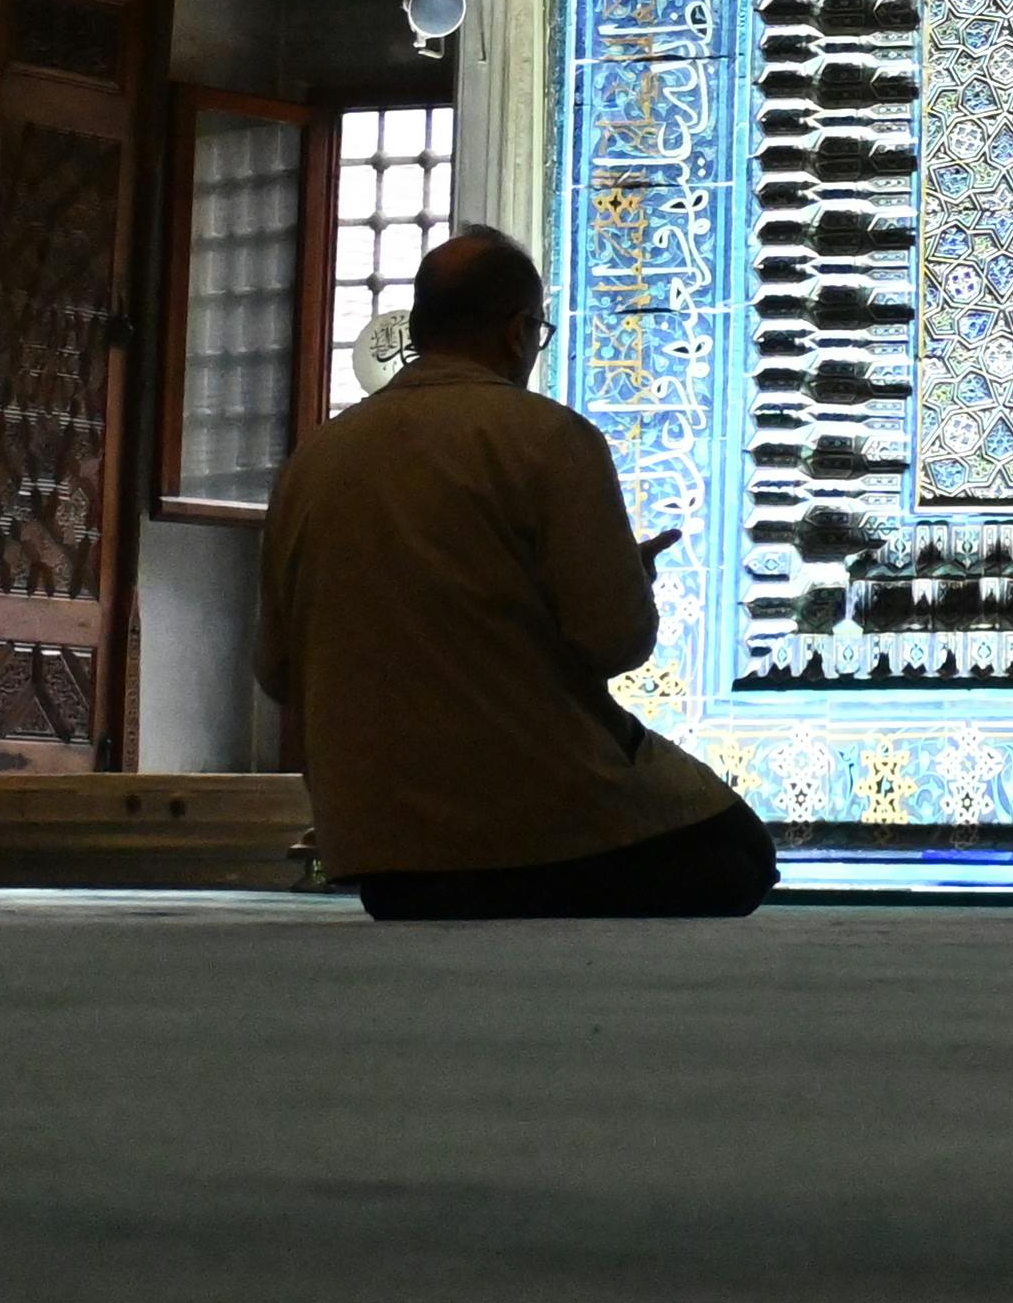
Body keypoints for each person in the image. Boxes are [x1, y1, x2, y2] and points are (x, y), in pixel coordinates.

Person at [259, 227, 776, 920]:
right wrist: (630, 580)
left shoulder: (313, 460)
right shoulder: (550, 440)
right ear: (519, 331)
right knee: (740, 858)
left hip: (383, 848)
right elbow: (612, 639)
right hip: (531, 820)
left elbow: (276, 673)